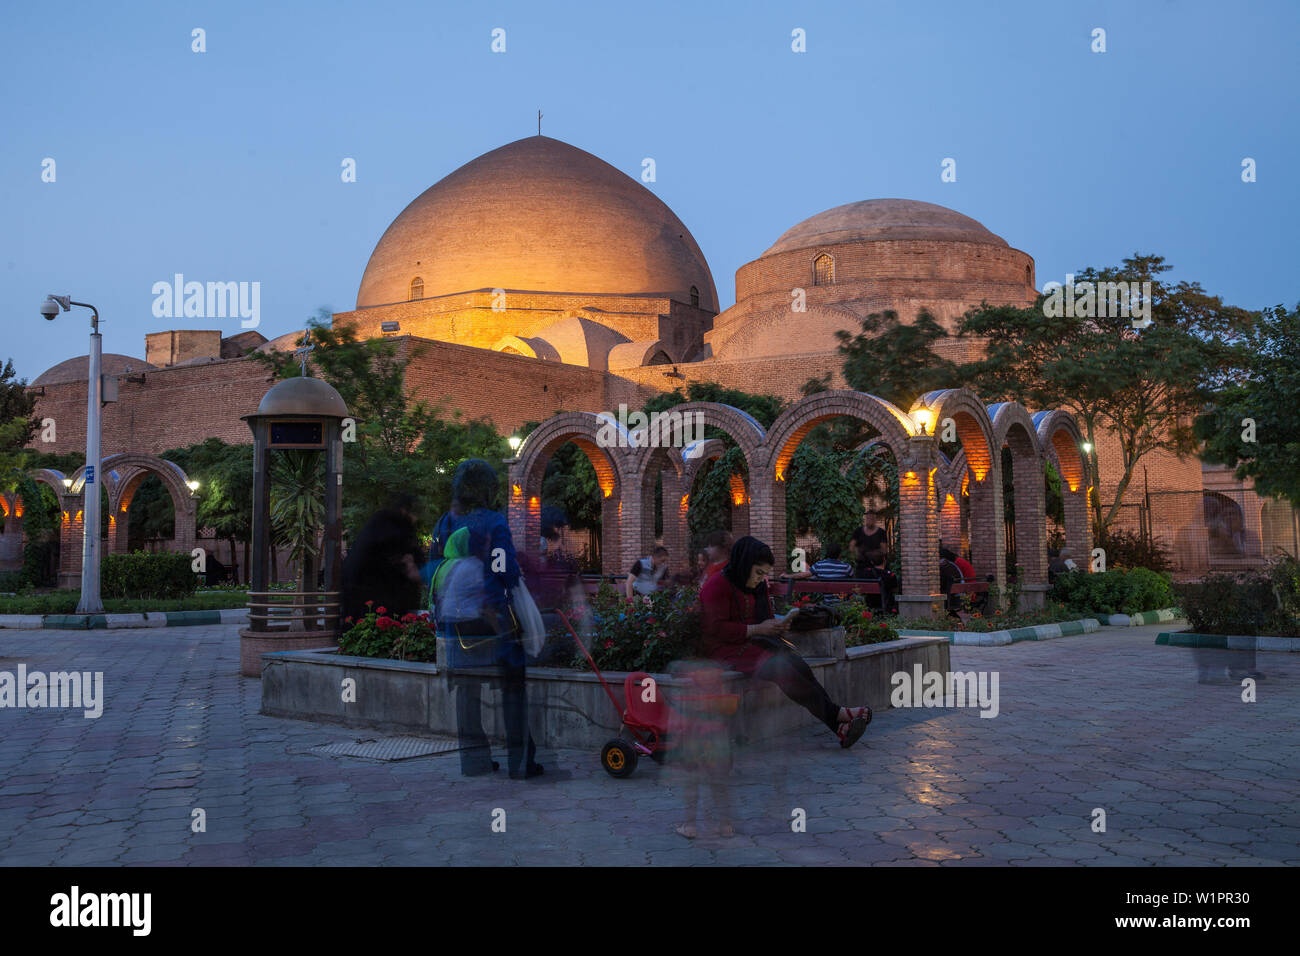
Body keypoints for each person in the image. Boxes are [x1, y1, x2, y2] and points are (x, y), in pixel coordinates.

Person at [699, 536, 872, 749]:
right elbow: (713, 629)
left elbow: (764, 618)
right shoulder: (717, 585)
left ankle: (839, 728)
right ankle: (837, 715)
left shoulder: (756, 586)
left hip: (753, 645)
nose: (760, 579)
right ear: (744, 565)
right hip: (724, 650)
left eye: (764, 574)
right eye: (758, 573)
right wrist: (756, 629)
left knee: (798, 665)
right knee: (782, 669)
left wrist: (778, 626)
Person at [430, 459, 543, 780]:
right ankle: (521, 763)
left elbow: (435, 569)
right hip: (494, 623)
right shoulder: (494, 522)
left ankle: (474, 761)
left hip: (454, 625)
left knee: (467, 692)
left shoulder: (444, 523)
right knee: (512, 689)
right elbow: (505, 571)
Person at [341, 493, 423, 624]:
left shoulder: (378, 525)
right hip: (384, 604)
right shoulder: (398, 529)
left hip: (359, 602)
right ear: (406, 510)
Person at [859, 550, 898, 614]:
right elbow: (895, 590)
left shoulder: (866, 573)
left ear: (872, 562)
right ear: (884, 559)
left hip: (870, 603)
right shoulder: (890, 575)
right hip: (886, 603)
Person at [852, 511, 889, 576]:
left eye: (872, 519)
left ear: (875, 520)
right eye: (868, 518)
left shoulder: (881, 532)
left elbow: (884, 550)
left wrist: (874, 555)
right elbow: (852, 546)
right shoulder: (858, 531)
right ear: (865, 519)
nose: (869, 520)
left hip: (877, 568)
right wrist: (858, 553)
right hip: (862, 567)